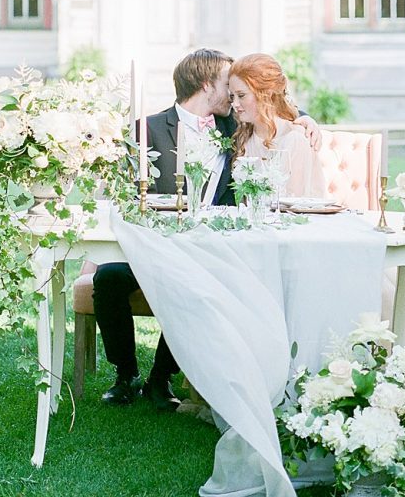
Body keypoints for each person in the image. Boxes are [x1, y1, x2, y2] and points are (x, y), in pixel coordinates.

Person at [94, 48, 322, 408]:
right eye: (226, 87)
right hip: (153, 246)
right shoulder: (146, 130)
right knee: (107, 278)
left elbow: (271, 107)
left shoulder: (235, 123)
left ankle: (161, 378)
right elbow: (119, 195)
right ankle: (126, 374)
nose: (233, 95)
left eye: (237, 92)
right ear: (206, 85)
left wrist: (307, 119)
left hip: (211, 250)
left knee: (198, 282)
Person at [228, 53, 327, 198]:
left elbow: (294, 207)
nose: (235, 104)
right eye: (232, 96)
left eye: (241, 95)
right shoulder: (245, 138)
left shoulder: (295, 139)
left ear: (266, 94)